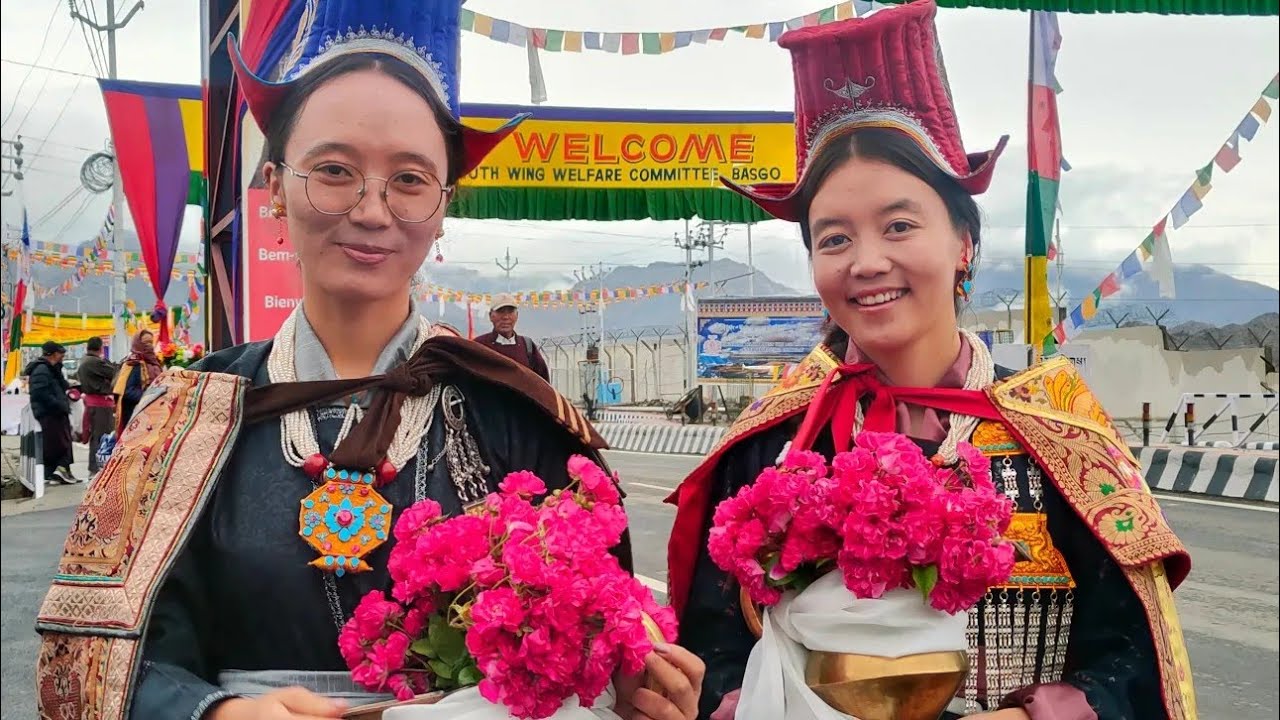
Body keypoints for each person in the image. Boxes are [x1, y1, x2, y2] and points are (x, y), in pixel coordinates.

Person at [35, 4, 704, 720]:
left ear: (443, 207)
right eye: (334, 170)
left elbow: (596, 640)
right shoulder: (187, 414)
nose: (373, 210)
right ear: (274, 188)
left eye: (410, 180)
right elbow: (95, 656)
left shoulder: (517, 414)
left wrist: (628, 682)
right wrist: (215, 712)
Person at [664, 3, 1196, 719]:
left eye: (899, 225)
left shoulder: (1057, 433)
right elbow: (715, 644)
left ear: (963, 243)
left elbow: (1136, 660)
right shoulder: (774, 443)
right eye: (834, 239)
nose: (866, 262)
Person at [25, 340, 79, 484]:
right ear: (54, 354)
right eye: (60, 354)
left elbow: (62, 385)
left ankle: (56, 473)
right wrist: (58, 405)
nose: (62, 357)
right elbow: (40, 393)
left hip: (56, 412)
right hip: (49, 412)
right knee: (59, 444)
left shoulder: (52, 369)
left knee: (59, 443)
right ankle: (58, 471)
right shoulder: (41, 370)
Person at [473, 293, 551, 382]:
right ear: (491, 316)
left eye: (510, 312)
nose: (506, 317)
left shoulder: (527, 346)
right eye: (500, 311)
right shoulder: (479, 345)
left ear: (517, 315)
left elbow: (543, 382)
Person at [76, 336, 117, 476]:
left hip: (93, 403)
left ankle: (95, 468)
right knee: (103, 436)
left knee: (96, 436)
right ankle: (97, 468)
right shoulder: (95, 362)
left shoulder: (85, 360)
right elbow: (114, 372)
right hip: (101, 404)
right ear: (100, 348)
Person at [112, 329, 162, 432]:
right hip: (134, 414)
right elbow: (126, 391)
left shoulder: (155, 363)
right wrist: (148, 396)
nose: (149, 346)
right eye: (145, 343)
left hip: (153, 413)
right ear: (138, 344)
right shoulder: (132, 364)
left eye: (150, 342)